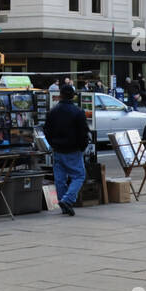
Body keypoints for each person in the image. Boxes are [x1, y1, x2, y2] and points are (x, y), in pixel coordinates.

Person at [43, 85, 89, 216]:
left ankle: (63, 203)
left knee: (60, 179)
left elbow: (46, 130)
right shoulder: (78, 112)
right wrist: (82, 146)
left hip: (58, 149)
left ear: (60, 95)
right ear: (73, 96)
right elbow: (83, 133)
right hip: (73, 149)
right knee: (79, 175)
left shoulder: (53, 111)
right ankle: (67, 200)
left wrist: (53, 143)